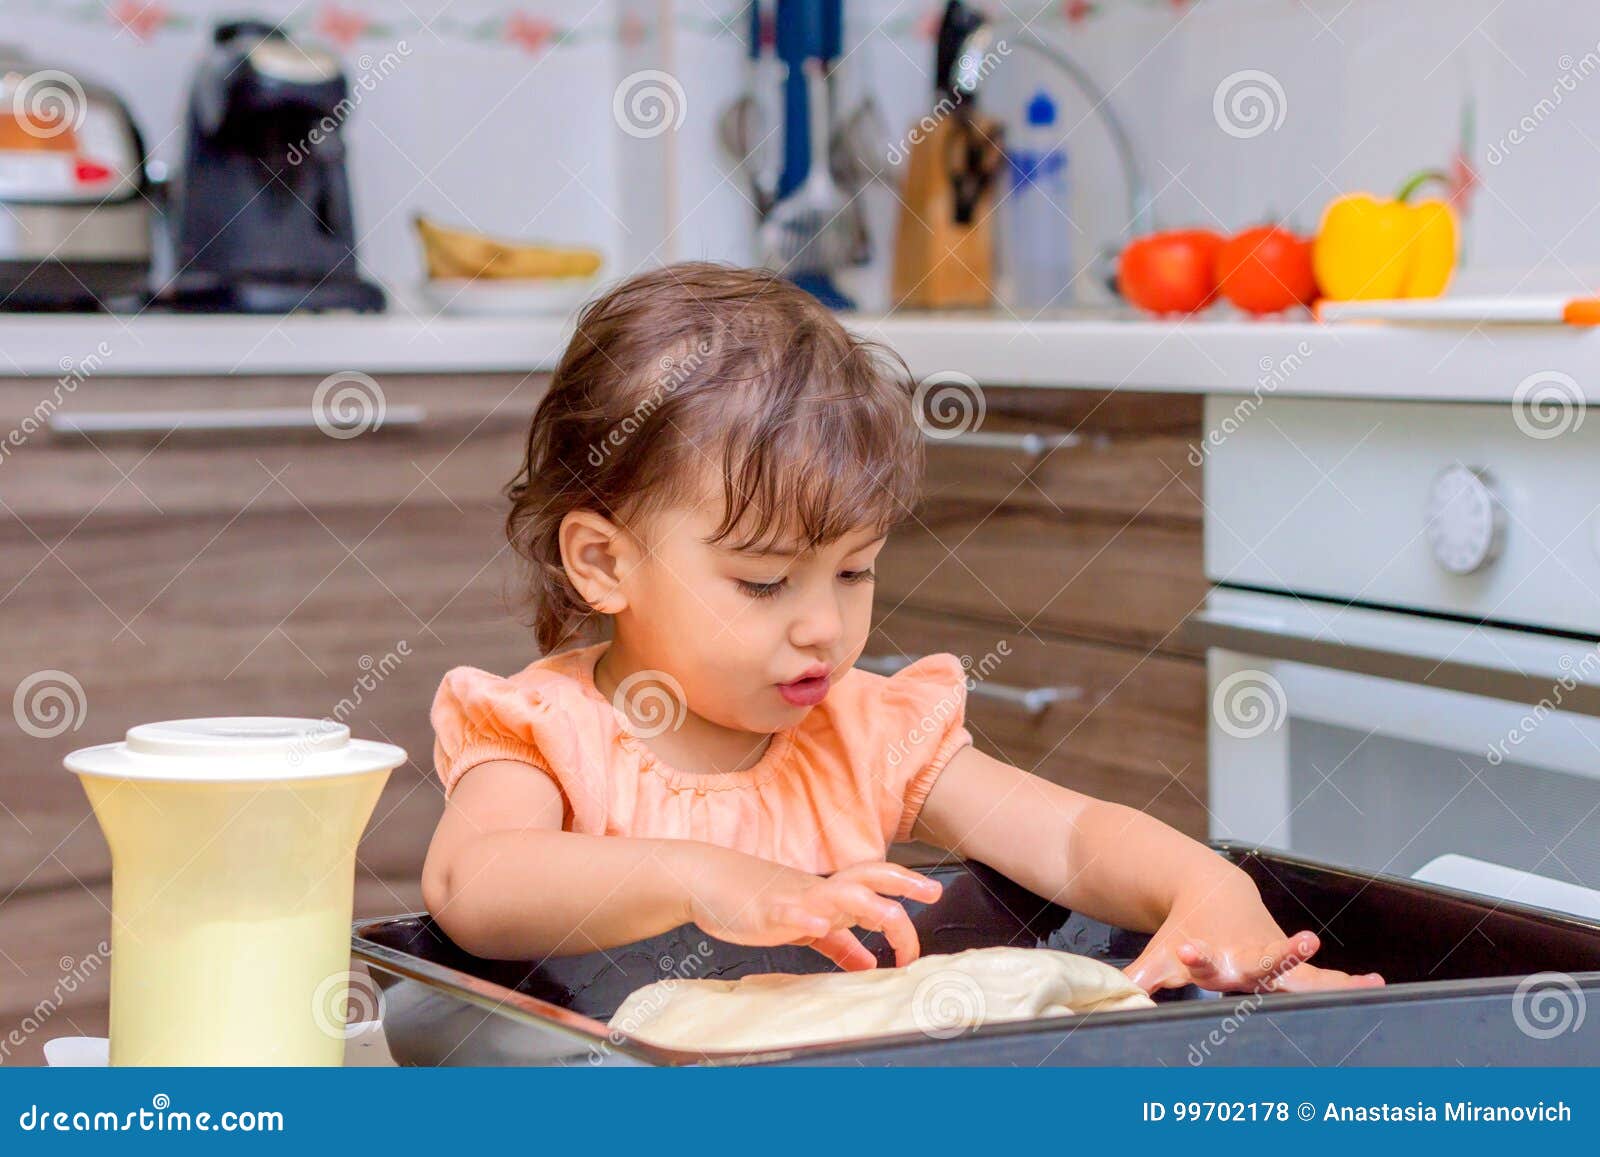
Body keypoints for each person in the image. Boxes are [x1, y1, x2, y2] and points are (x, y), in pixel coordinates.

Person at [422, 261, 1385, 995]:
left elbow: (1073, 834)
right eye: (762, 582)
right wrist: (704, 880)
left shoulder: (865, 732)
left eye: (854, 571)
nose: (823, 629)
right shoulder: (544, 732)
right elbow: (475, 882)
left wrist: (1207, 890)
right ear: (604, 562)